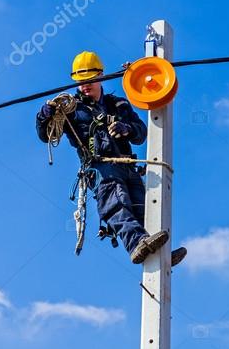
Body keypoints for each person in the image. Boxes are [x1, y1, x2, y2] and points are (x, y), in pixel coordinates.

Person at [35, 51, 186, 266]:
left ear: (101, 76)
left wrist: (127, 129)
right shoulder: (71, 110)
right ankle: (136, 244)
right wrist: (45, 115)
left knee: (145, 208)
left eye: (89, 80)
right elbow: (45, 135)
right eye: (80, 82)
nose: (85, 86)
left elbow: (141, 134)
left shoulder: (118, 105)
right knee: (116, 203)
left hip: (127, 164)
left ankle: (161, 256)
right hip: (100, 167)